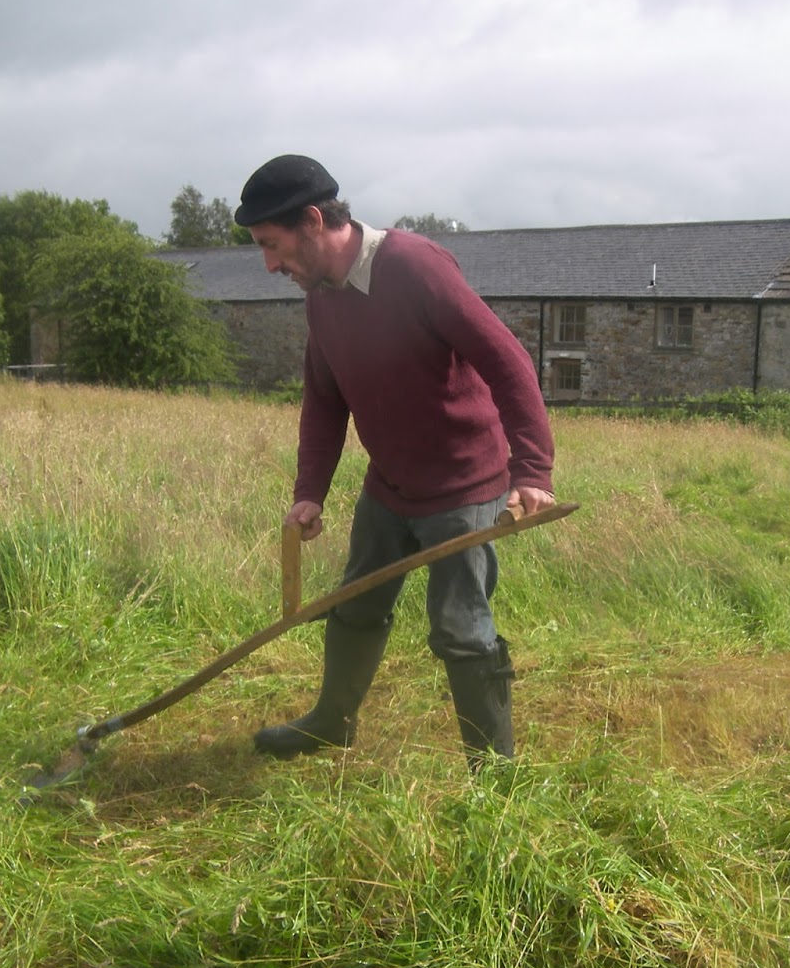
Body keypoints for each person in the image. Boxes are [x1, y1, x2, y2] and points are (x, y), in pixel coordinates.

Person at [235, 154, 556, 767]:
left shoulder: (412, 266)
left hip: (464, 487)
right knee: (354, 604)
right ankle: (332, 723)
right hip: (389, 488)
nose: (269, 264)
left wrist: (533, 470)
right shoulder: (322, 295)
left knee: (461, 629)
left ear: (311, 220)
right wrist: (310, 491)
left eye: (272, 245)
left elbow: (507, 360)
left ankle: (495, 777)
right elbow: (325, 400)